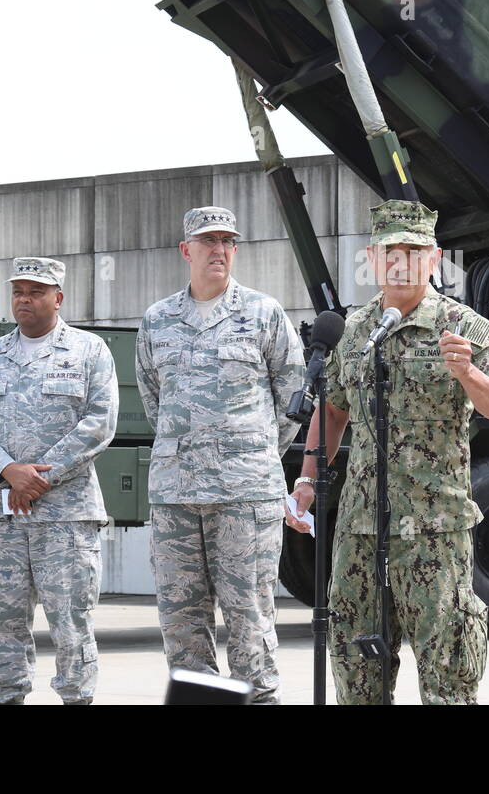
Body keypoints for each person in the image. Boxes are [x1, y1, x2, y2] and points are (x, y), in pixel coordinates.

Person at [288, 199, 489, 705]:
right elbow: (332, 413)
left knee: (447, 665)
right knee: (354, 660)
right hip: (360, 528)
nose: (401, 261)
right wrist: (306, 481)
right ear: (372, 257)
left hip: (434, 529)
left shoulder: (464, 326)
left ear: (433, 259)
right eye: (391, 251)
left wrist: (468, 373)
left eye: (413, 251)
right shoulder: (354, 332)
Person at [135, 206, 304, 704]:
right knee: (181, 623)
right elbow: (153, 401)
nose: (219, 249)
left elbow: (293, 401)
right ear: (186, 251)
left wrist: (248, 456)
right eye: (208, 241)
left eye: (228, 241)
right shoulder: (157, 320)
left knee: (249, 618)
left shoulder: (263, 313)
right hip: (176, 496)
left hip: (245, 497)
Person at [0, 257, 118, 705]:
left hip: (64, 517)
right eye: (18, 292)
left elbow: (99, 423)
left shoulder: (89, 351)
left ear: (57, 298)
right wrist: (9, 471)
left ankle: (76, 699)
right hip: (2, 517)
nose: (24, 300)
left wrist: (39, 477)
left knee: (71, 622)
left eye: (36, 291)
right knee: (3, 622)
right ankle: (7, 698)